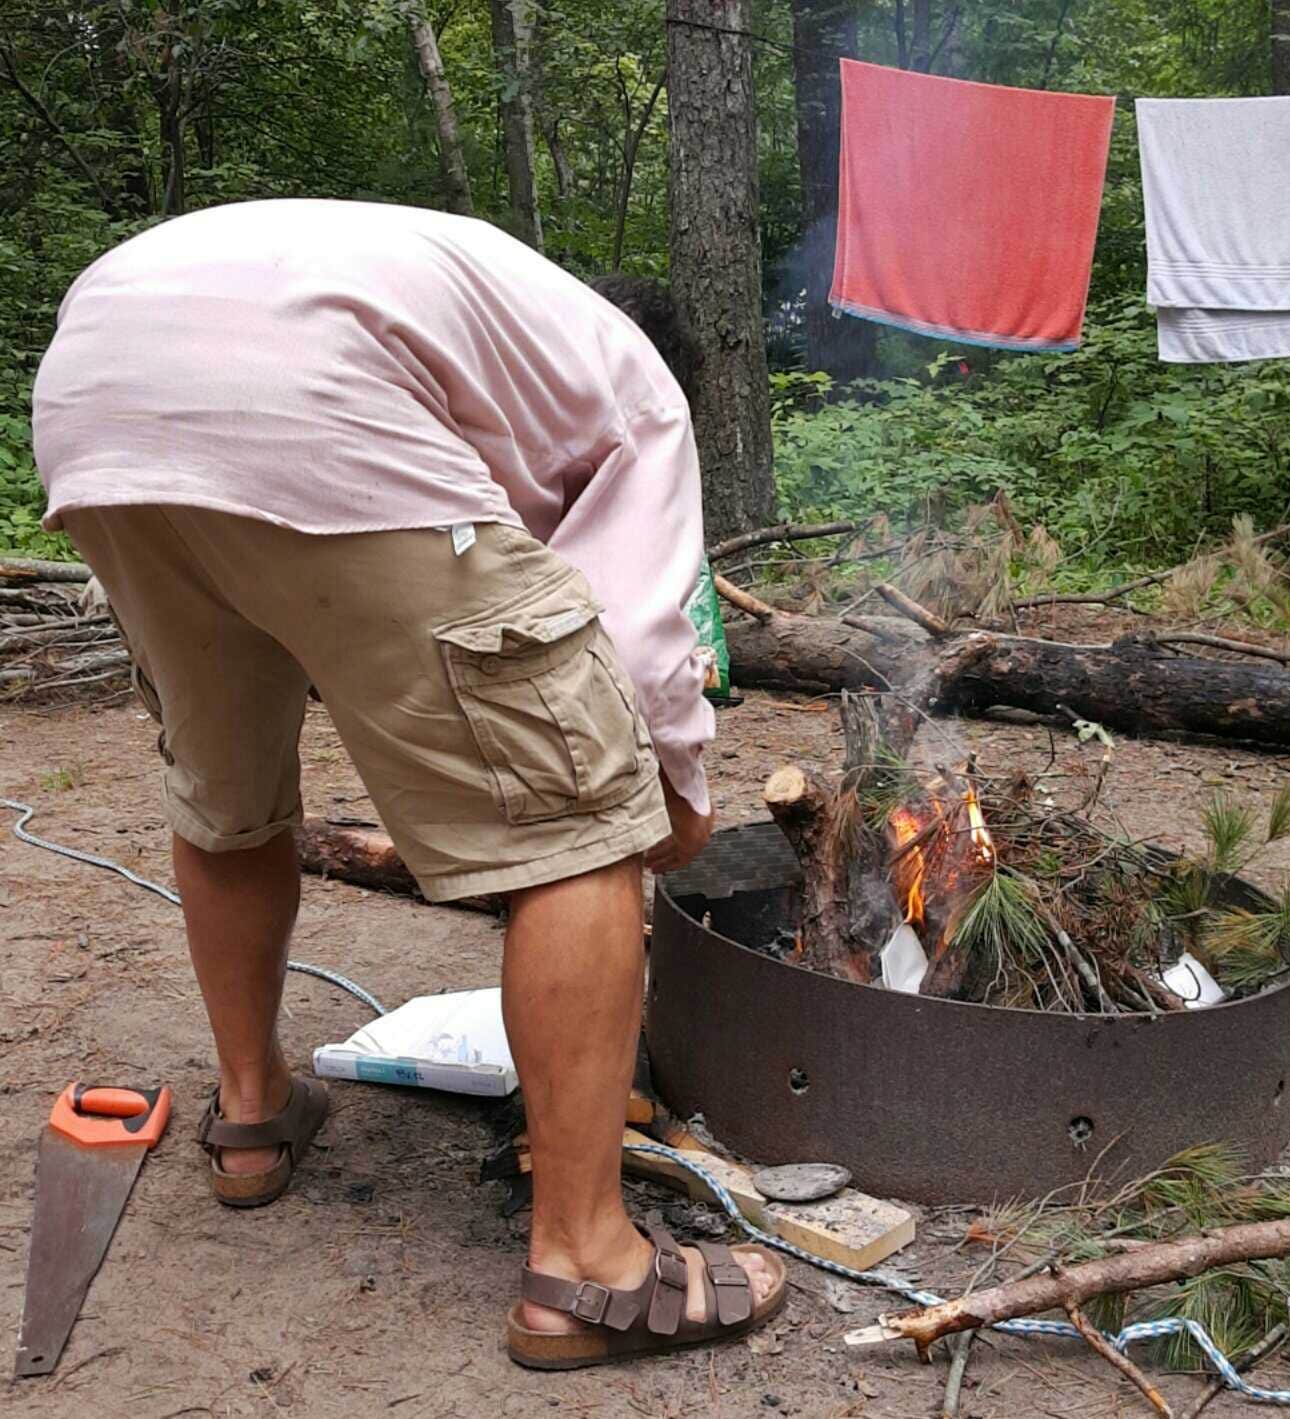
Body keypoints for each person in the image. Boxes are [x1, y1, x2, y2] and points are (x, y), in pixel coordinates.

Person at [31, 199, 785, 1369]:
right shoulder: (638, 388)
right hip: (307, 398)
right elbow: (639, 643)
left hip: (98, 401)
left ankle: (251, 1113)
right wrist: (668, 801)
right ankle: (589, 1266)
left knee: (226, 786)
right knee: (581, 823)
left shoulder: (486, 315)